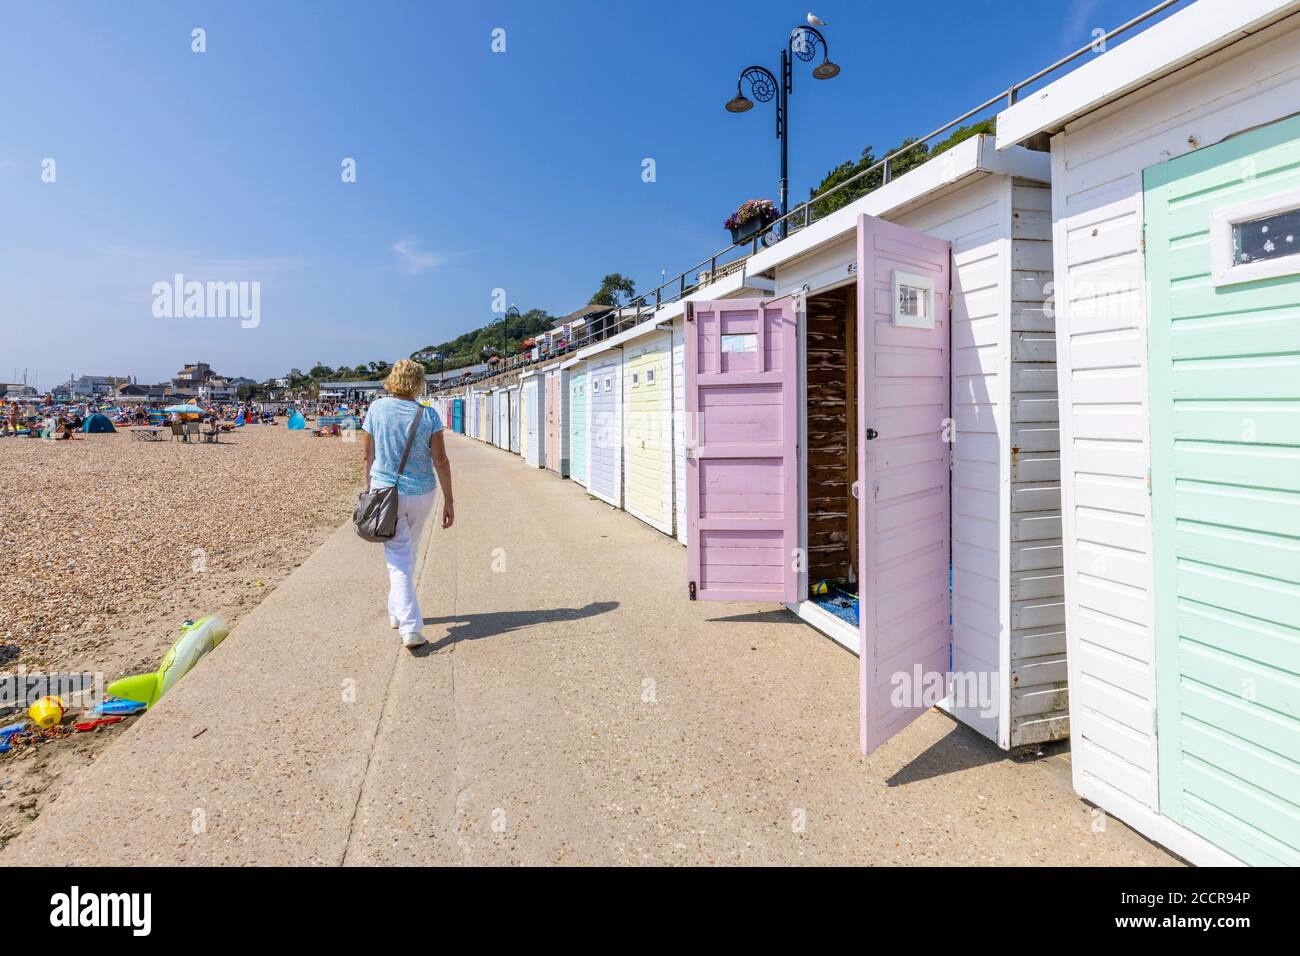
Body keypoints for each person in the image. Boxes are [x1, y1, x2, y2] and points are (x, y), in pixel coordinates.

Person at [361, 359, 454, 649]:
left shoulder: (376, 409)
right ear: (418, 382)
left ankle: (411, 626)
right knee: (406, 554)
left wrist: (369, 489)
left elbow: (368, 456)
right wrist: (449, 500)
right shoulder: (428, 415)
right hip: (421, 493)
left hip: (385, 491)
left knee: (399, 559)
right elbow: (440, 460)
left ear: (392, 380)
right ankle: (397, 614)